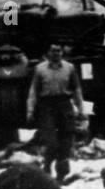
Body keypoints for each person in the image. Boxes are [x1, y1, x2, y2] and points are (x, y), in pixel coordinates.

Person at [25, 43, 84, 181]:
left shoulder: (69, 68)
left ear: (62, 53)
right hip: (47, 106)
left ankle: (61, 175)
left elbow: (77, 90)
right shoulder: (40, 69)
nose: (56, 53)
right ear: (48, 53)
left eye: (58, 50)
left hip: (64, 105)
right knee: (51, 142)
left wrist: (81, 110)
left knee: (66, 142)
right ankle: (47, 165)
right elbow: (33, 91)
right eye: (53, 51)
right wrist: (30, 110)